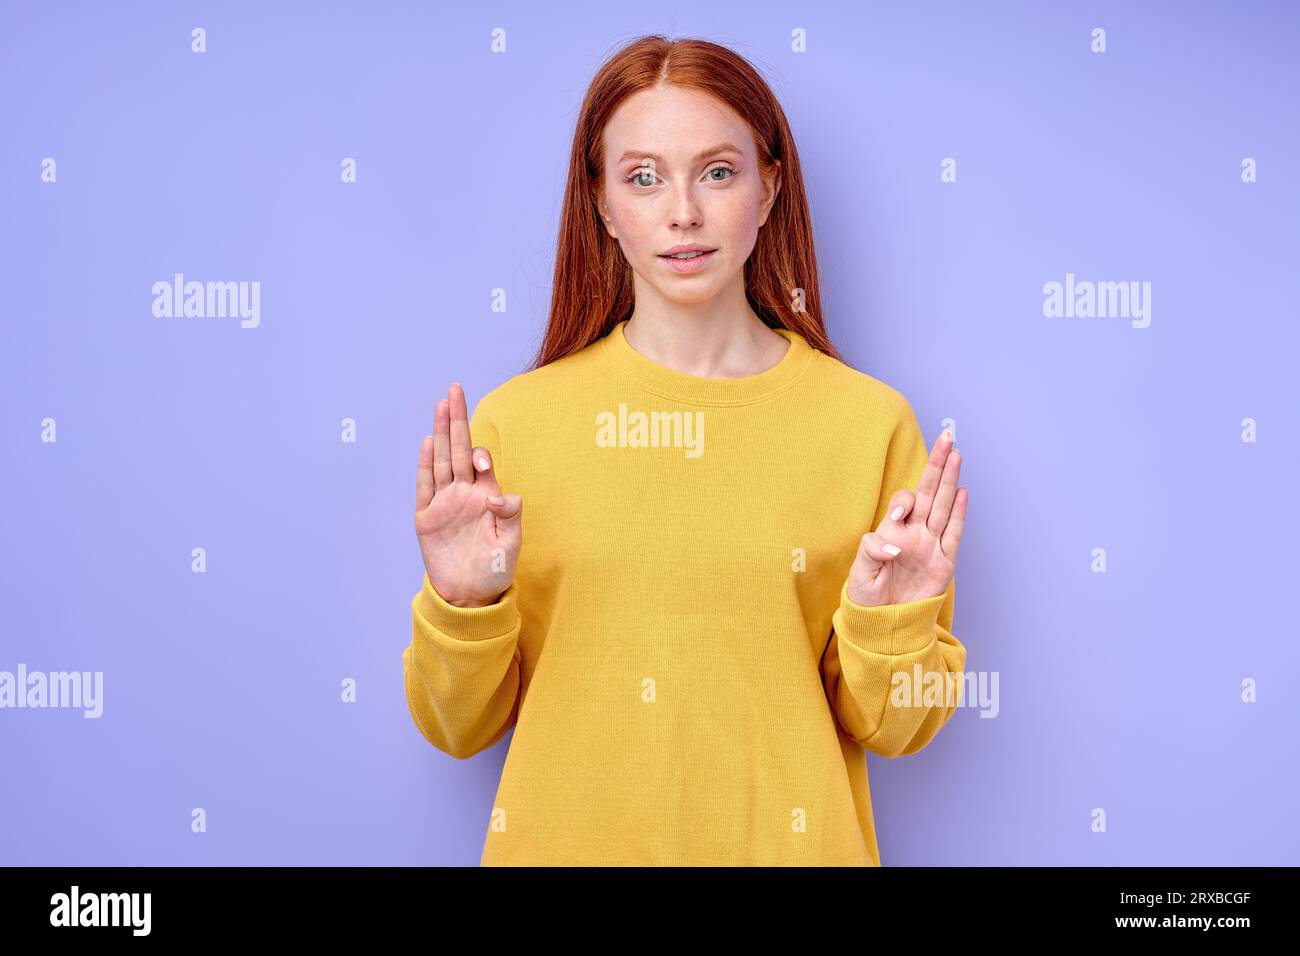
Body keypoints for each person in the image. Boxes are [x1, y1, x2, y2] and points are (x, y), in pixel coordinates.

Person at [404, 34, 969, 866]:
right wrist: (463, 606)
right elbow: (458, 729)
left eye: (717, 171)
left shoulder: (868, 424)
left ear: (769, 186)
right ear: (600, 204)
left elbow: (896, 729)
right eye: (642, 177)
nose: (683, 214)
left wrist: (896, 628)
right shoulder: (516, 428)